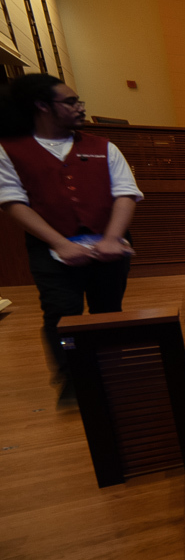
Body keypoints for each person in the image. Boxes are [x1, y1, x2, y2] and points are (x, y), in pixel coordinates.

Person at [0, 75, 142, 371]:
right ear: (42, 106)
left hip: (108, 245)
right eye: (70, 102)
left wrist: (112, 239)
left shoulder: (103, 146)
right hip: (52, 250)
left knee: (109, 310)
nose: (79, 107)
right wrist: (61, 244)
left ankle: (111, 365)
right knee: (63, 315)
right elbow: (12, 202)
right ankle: (73, 372)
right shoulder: (10, 150)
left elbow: (126, 194)